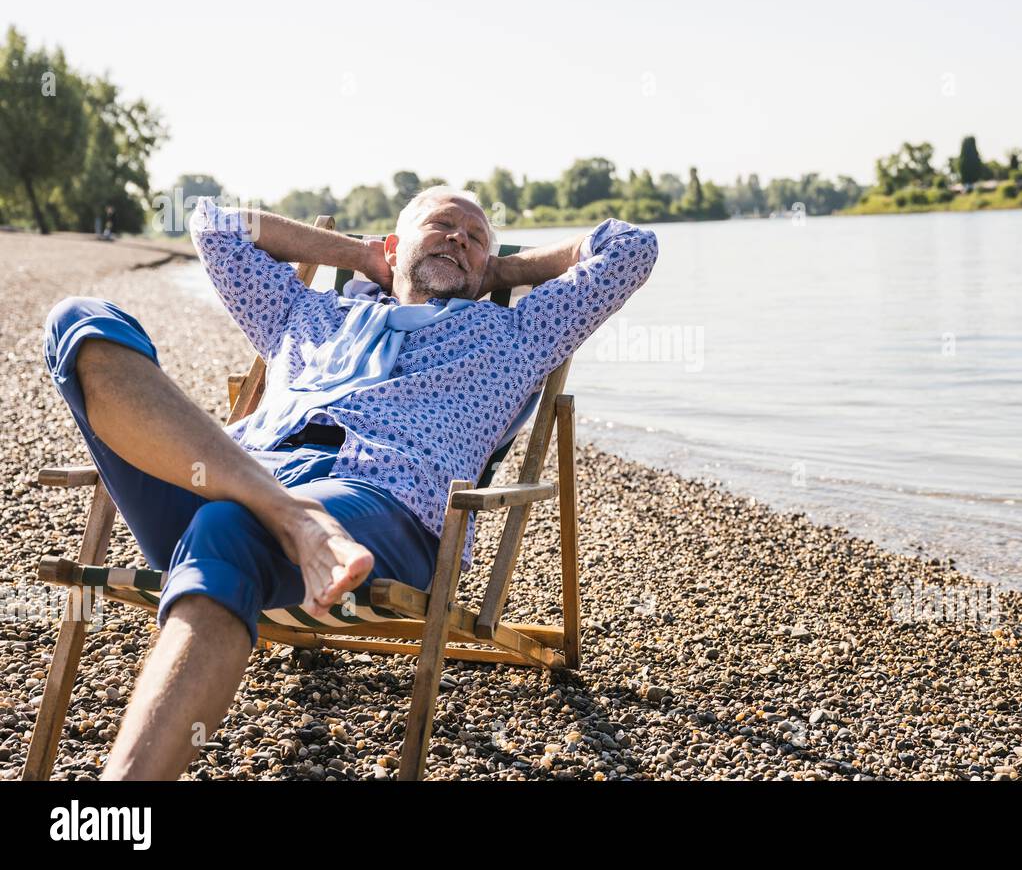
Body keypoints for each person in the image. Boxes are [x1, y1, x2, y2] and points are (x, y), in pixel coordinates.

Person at [41, 187, 658, 779]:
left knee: (228, 525)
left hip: (377, 504)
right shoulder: (304, 314)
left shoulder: (515, 337)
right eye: (442, 225)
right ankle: (284, 512)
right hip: (230, 482)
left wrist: (499, 272)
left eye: (476, 237)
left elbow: (631, 246)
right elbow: (215, 226)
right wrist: (358, 256)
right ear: (392, 246)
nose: (460, 239)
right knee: (79, 321)